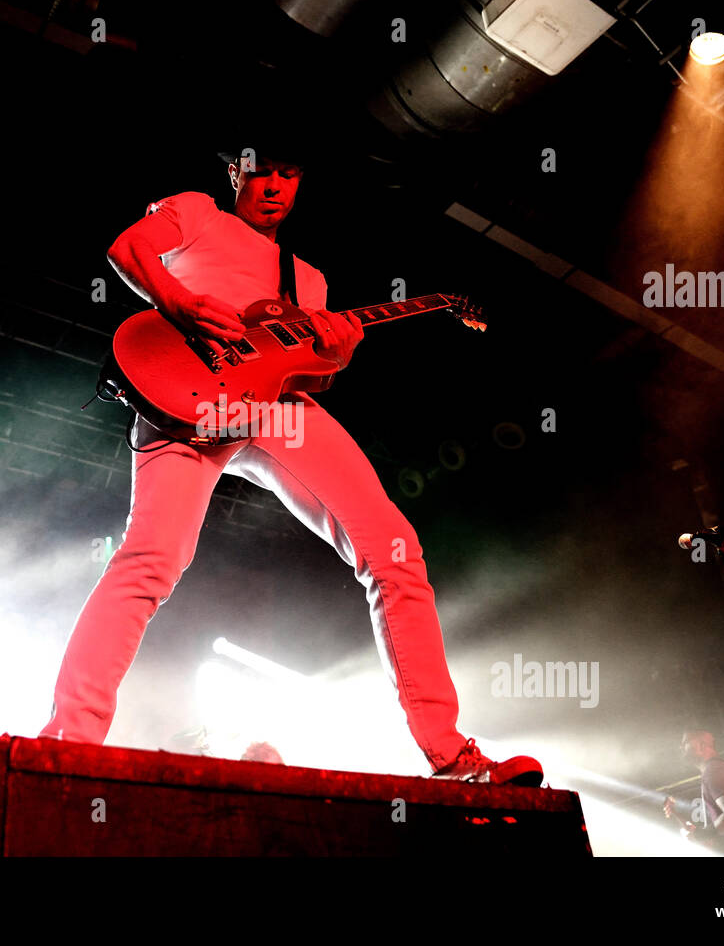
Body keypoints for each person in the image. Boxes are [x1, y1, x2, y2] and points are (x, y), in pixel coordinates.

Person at [37, 131, 542, 786]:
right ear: (233, 170)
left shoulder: (309, 278)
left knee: (393, 547)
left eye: (290, 173)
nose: (275, 186)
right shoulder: (198, 212)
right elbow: (127, 248)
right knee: (153, 559)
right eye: (262, 170)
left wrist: (341, 344)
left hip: (275, 408)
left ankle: (453, 757)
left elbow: (307, 368)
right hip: (184, 390)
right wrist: (182, 302)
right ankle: (66, 741)